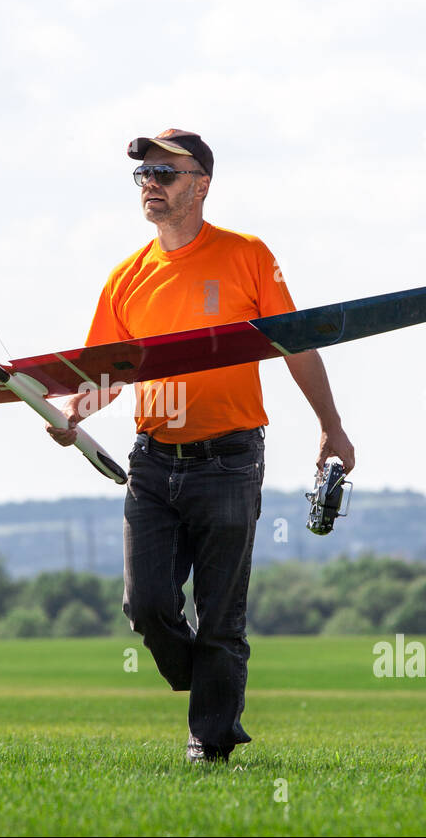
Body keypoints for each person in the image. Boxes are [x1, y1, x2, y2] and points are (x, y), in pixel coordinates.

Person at [46, 128, 354, 763]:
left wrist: (330, 426)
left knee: (221, 617)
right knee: (147, 606)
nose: (150, 185)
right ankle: (203, 678)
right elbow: (110, 376)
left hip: (231, 459)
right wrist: (74, 410)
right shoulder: (125, 278)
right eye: (143, 176)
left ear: (202, 184)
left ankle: (208, 742)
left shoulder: (247, 255)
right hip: (153, 460)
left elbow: (295, 343)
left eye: (165, 173)